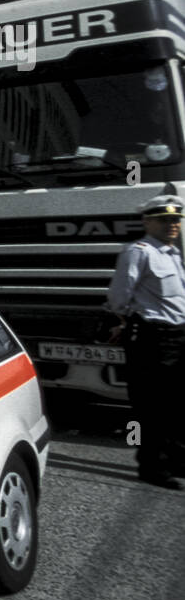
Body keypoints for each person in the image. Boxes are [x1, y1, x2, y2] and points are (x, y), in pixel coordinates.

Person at [106, 194, 185, 490]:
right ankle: (153, 467)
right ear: (147, 222)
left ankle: (177, 460)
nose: (172, 225)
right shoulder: (138, 252)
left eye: (176, 220)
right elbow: (119, 296)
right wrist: (129, 320)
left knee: (178, 404)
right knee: (153, 406)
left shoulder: (172, 253)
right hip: (152, 337)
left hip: (178, 335)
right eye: (164, 220)